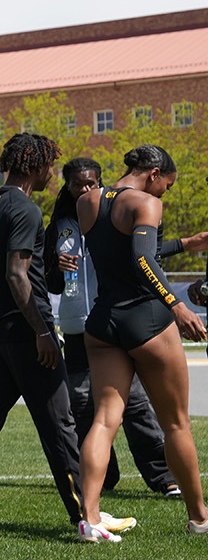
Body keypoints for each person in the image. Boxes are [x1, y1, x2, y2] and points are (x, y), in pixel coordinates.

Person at [0, 134, 111, 539]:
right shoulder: (26, 209)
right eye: (49, 165)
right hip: (26, 334)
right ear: (33, 165)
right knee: (59, 423)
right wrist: (43, 331)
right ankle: (87, 516)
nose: (52, 173)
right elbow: (16, 274)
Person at [75, 145, 208, 539]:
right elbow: (143, 260)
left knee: (103, 420)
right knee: (176, 424)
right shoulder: (146, 202)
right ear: (153, 174)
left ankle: (91, 518)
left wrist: (187, 243)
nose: (163, 194)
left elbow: (124, 251)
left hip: (103, 322)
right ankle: (200, 518)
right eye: (166, 185)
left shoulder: (88, 202)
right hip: (147, 320)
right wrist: (177, 306)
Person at [50, 157, 180, 498]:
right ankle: (101, 479)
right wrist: (54, 261)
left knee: (133, 405)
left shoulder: (110, 212)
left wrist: (185, 244)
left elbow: (143, 255)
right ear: (68, 187)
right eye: (78, 184)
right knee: (84, 407)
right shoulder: (63, 222)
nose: (86, 189)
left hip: (111, 316)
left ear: (101, 181)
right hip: (81, 326)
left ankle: (162, 476)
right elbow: (50, 279)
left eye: (91, 183)